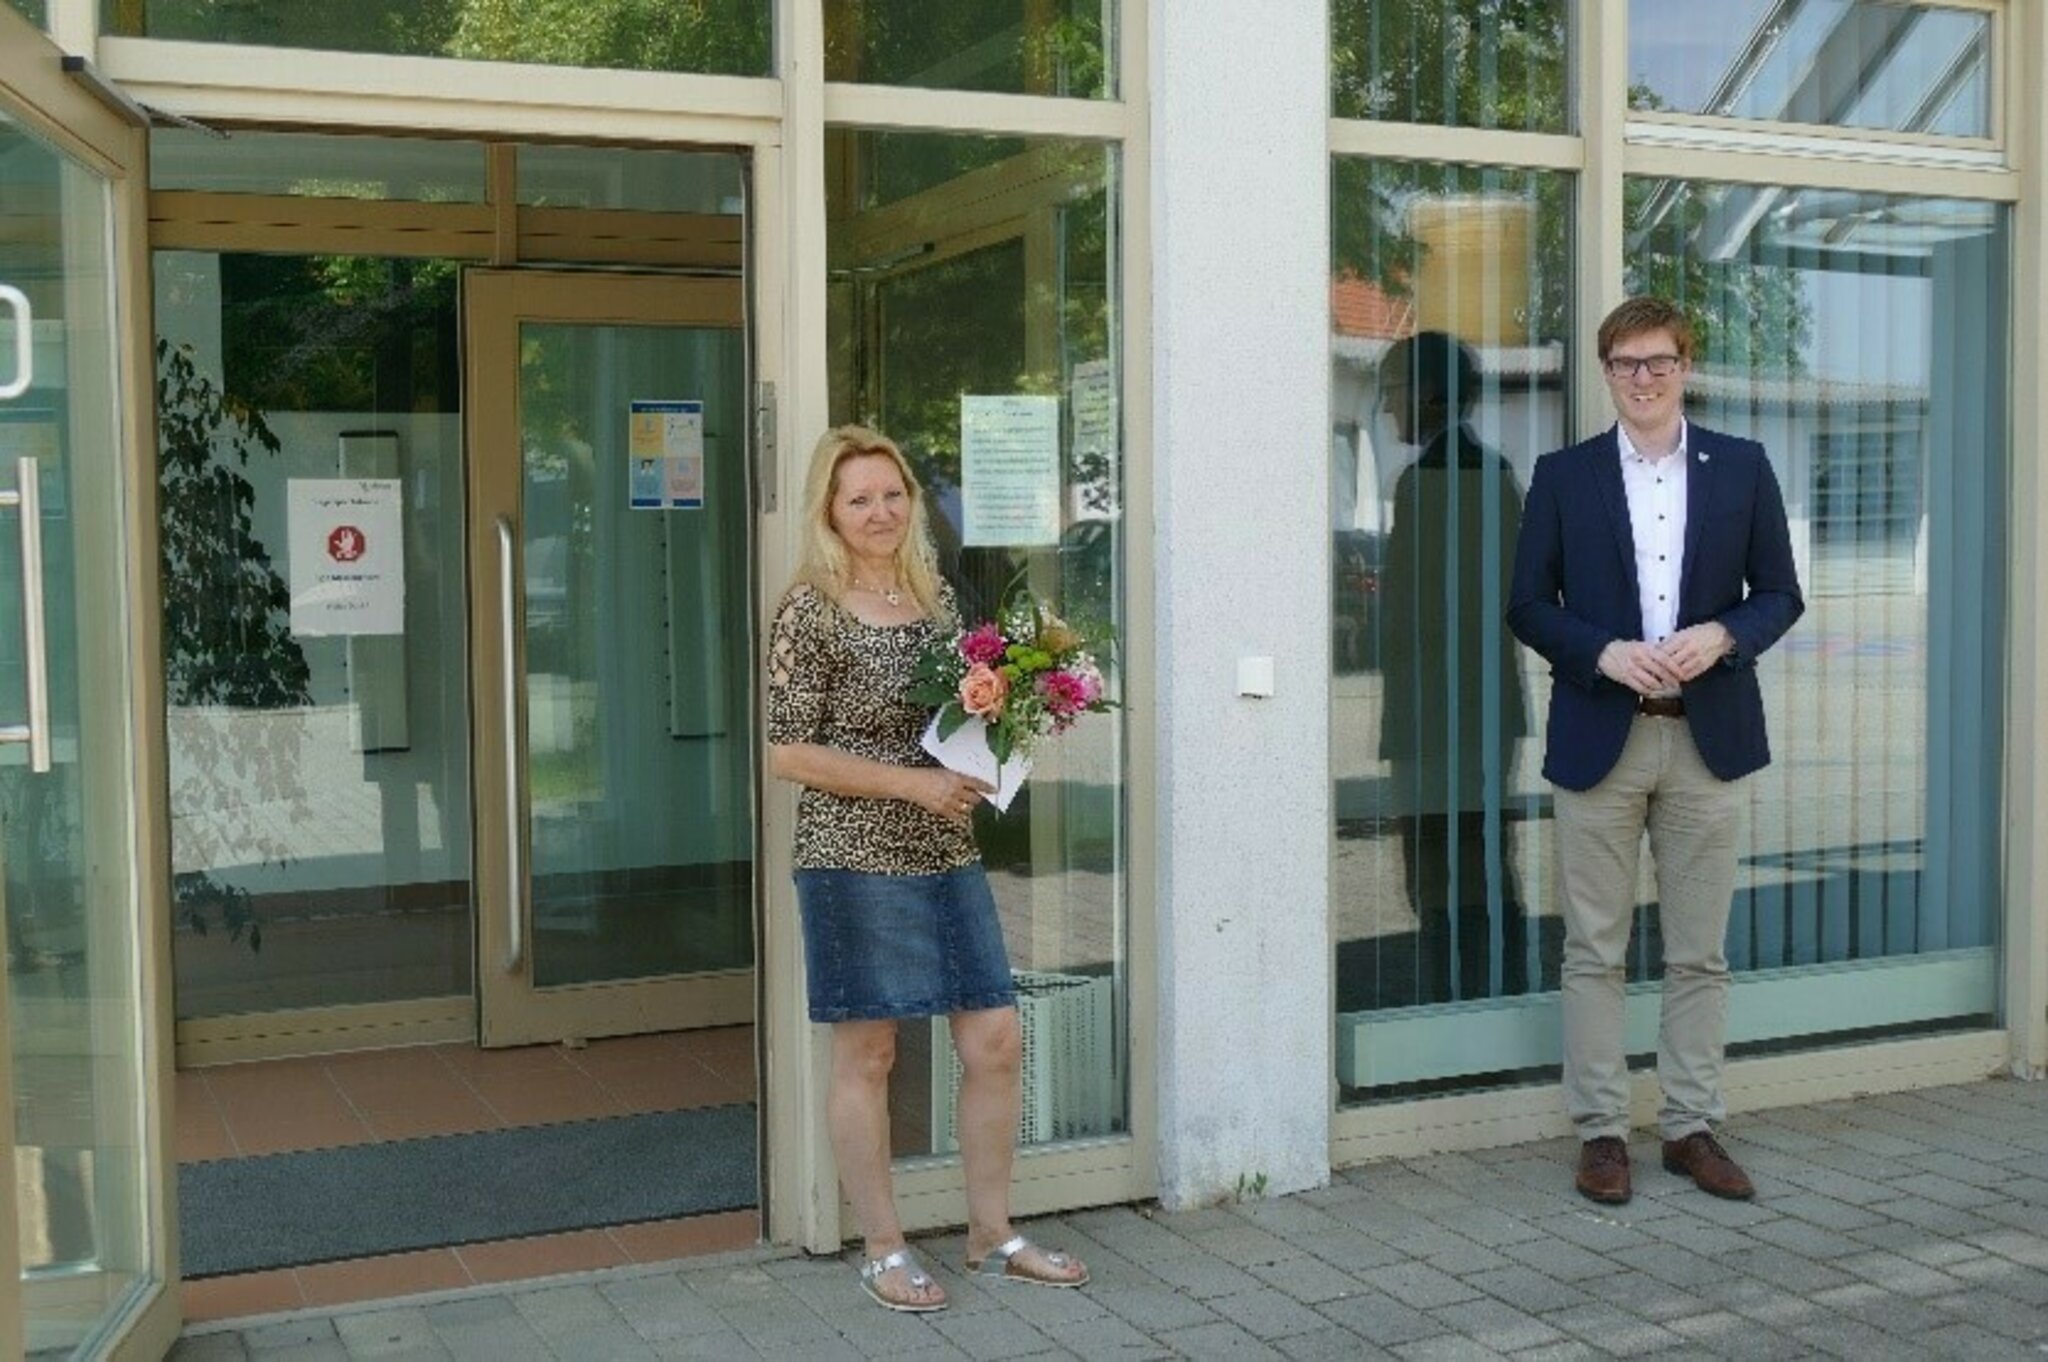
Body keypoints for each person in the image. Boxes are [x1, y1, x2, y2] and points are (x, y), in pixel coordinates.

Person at [765, 424, 1091, 1312]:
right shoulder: (810, 608)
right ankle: (882, 1247)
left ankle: (992, 1232)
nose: (879, 511)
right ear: (829, 511)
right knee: (869, 1054)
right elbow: (789, 753)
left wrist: (1003, 745)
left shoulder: (934, 596)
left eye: (891, 494)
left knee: (995, 1039)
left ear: (911, 501)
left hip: (945, 849)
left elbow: (958, 724)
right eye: (857, 498)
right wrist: (913, 786)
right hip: (850, 854)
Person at [1506, 298, 1803, 1206]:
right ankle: (1601, 1132)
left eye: (1659, 362)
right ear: (1606, 374)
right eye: (1626, 363)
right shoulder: (1564, 475)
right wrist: (1599, 651)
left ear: (1686, 366)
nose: (1644, 378)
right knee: (1594, 950)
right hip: (1603, 735)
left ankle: (1689, 1127)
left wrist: (1722, 635)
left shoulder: (1743, 469)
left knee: (1698, 953)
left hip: (1706, 741)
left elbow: (1781, 595)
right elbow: (1526, 604)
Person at [1376, 331, 1531, 1003]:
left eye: (1392, 394)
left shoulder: (1432, 479)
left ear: (1429, 395)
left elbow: (1412, 611)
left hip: (1439, 709)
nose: (1386, 411)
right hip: (1484, 703)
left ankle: (1459, 1005)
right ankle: (1491, 993)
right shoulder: (1494, 471)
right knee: (1482, 862)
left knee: (1442, 869)